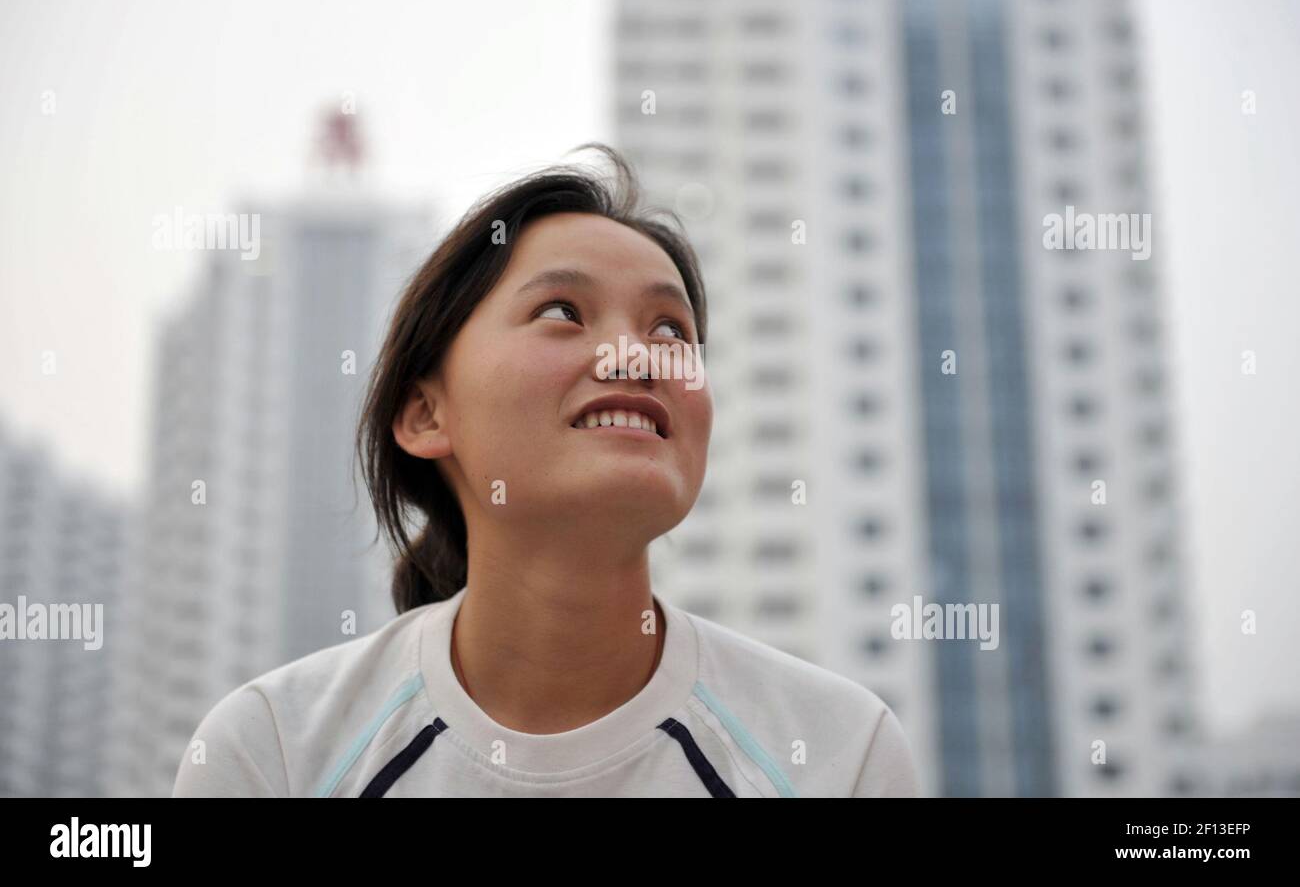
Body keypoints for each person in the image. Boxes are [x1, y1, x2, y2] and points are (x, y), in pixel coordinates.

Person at [172, 144, 919, 797]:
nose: (637, 356)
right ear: (427, 415)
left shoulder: (843, 754)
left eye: (670, 329)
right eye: (563, 310)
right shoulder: (271, 752)